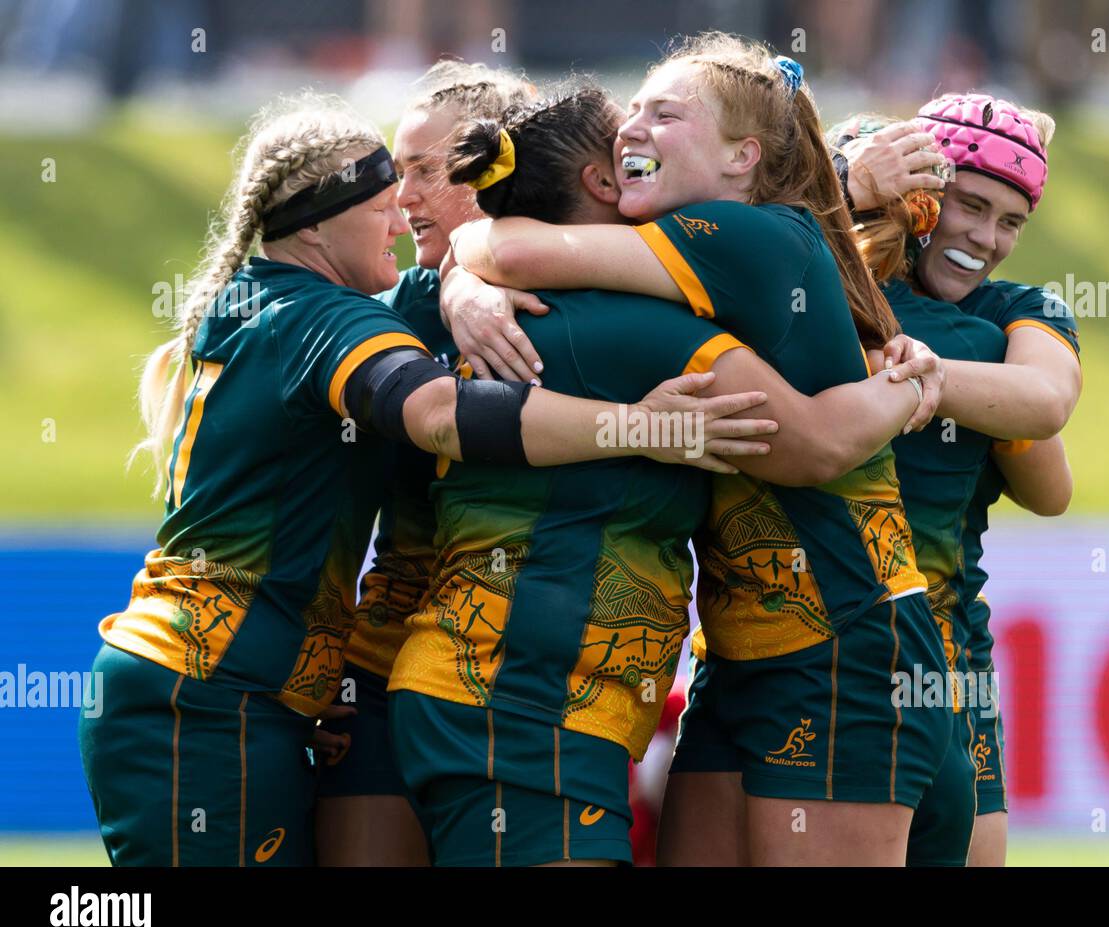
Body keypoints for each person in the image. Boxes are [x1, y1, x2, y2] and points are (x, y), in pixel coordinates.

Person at [78, 91, 777, 867]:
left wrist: (467, 283)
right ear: (313, 224)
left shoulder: (263, 296)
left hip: (228, 694)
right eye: (382, 198)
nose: (399, 215)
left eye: (418, 179)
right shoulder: (318, 317)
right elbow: (442, 415)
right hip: (205, 696)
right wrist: (646, 427)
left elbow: (454, 270)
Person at [444, 34, 952, 866]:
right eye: (633, 109)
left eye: (664, 114)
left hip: (845, 641)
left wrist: (464, 266)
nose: (631, 129)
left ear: (742, 157)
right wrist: (463, 283)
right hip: (739, 652)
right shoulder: (705, 246)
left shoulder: (747, 235)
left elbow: (517, 249)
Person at [841, 94, 1082, 865]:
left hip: (950, 664)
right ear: (919, 193)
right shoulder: (833, 287)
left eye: (1011, 221)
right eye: (970, 206)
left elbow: (1049, 452)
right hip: (801, 647)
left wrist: (935, 374)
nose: (987, 238)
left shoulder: (1014, 315)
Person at [313, 59, 536, 868]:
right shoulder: (398, 307)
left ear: (497, 165)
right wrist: (315, 673)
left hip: (525, 686)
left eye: (422, 171)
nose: (399, 196)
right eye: (393, 169)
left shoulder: (598, 289)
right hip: (379, 668)